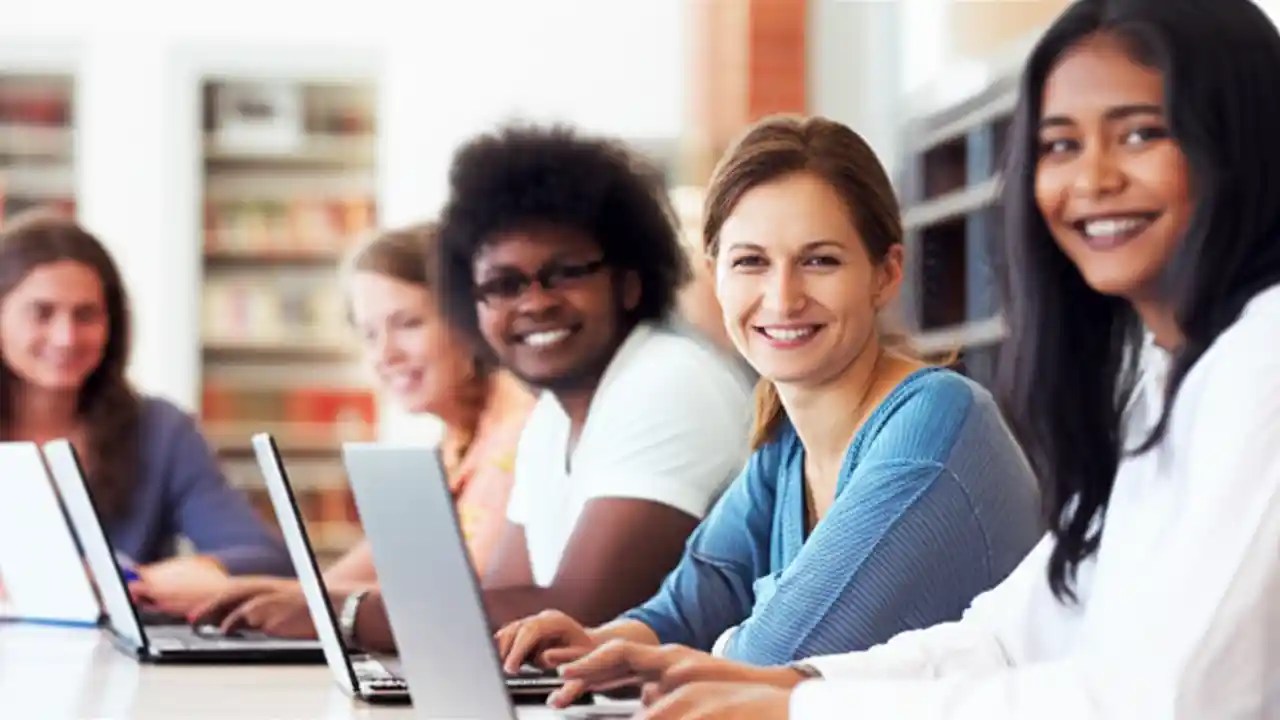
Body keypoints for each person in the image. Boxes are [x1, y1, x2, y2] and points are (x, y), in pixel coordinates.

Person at [544, 0, 1280, 717]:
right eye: (1061, 144)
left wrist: (792, 701)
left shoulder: (1263, 365)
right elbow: (1011, 638)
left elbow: (1178, 700)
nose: (1092, 180)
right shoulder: (1165, 377)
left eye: (1141, 134)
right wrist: (794, 688)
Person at [494, 115, 1042, 700]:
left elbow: (777, 661)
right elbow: (683, 610)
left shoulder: (934, 427)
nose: (782, 297)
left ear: (885, 274)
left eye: (819, 261)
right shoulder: (784, 448)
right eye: (751, 262)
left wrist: (655, 657)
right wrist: (597, 645)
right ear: (715, 276)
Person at [311, 125, 754, 654]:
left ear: (630, 282)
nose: (535, 303)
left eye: (564, 274)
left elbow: (579, 612)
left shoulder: (668, 380)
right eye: (503, 285)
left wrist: (340, 612)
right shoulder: (552, 415)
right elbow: (501, 598)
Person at [189, 223, 535, 635]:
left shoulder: (520, 432)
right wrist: (236, 593)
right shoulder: (457, 440)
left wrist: (298, 600)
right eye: (369, 333)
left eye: (407, 323)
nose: (384, 354)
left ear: (468, 318)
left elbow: (466, 600)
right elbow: (350, 580)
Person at [0, 212, 293, 616]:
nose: (66, 337)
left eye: (86, 315)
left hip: (125, 671)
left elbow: (267, 557)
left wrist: (145, 581)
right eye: (41, 313)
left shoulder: (160, 430)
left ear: (111, 325)